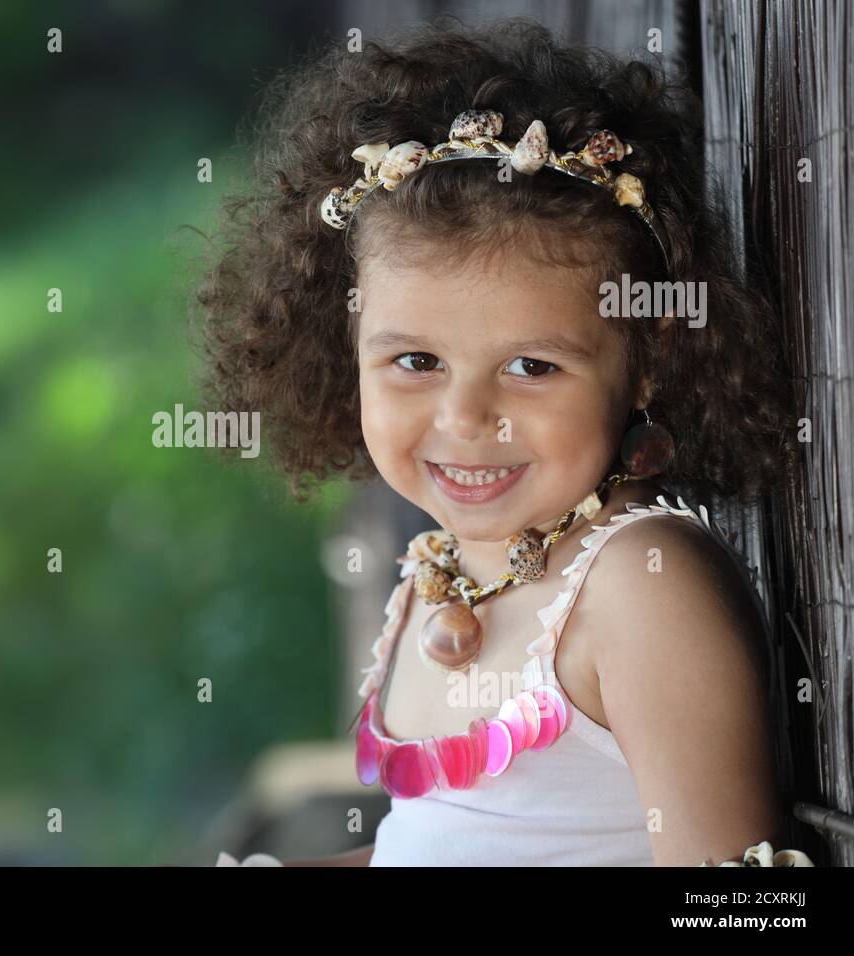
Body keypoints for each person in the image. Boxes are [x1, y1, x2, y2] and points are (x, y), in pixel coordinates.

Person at [196, 18, 808, 866]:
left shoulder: (636, 589)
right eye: (415, 360)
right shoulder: (436, 568)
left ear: (646, 358)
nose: (465, 419)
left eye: (531, 365)